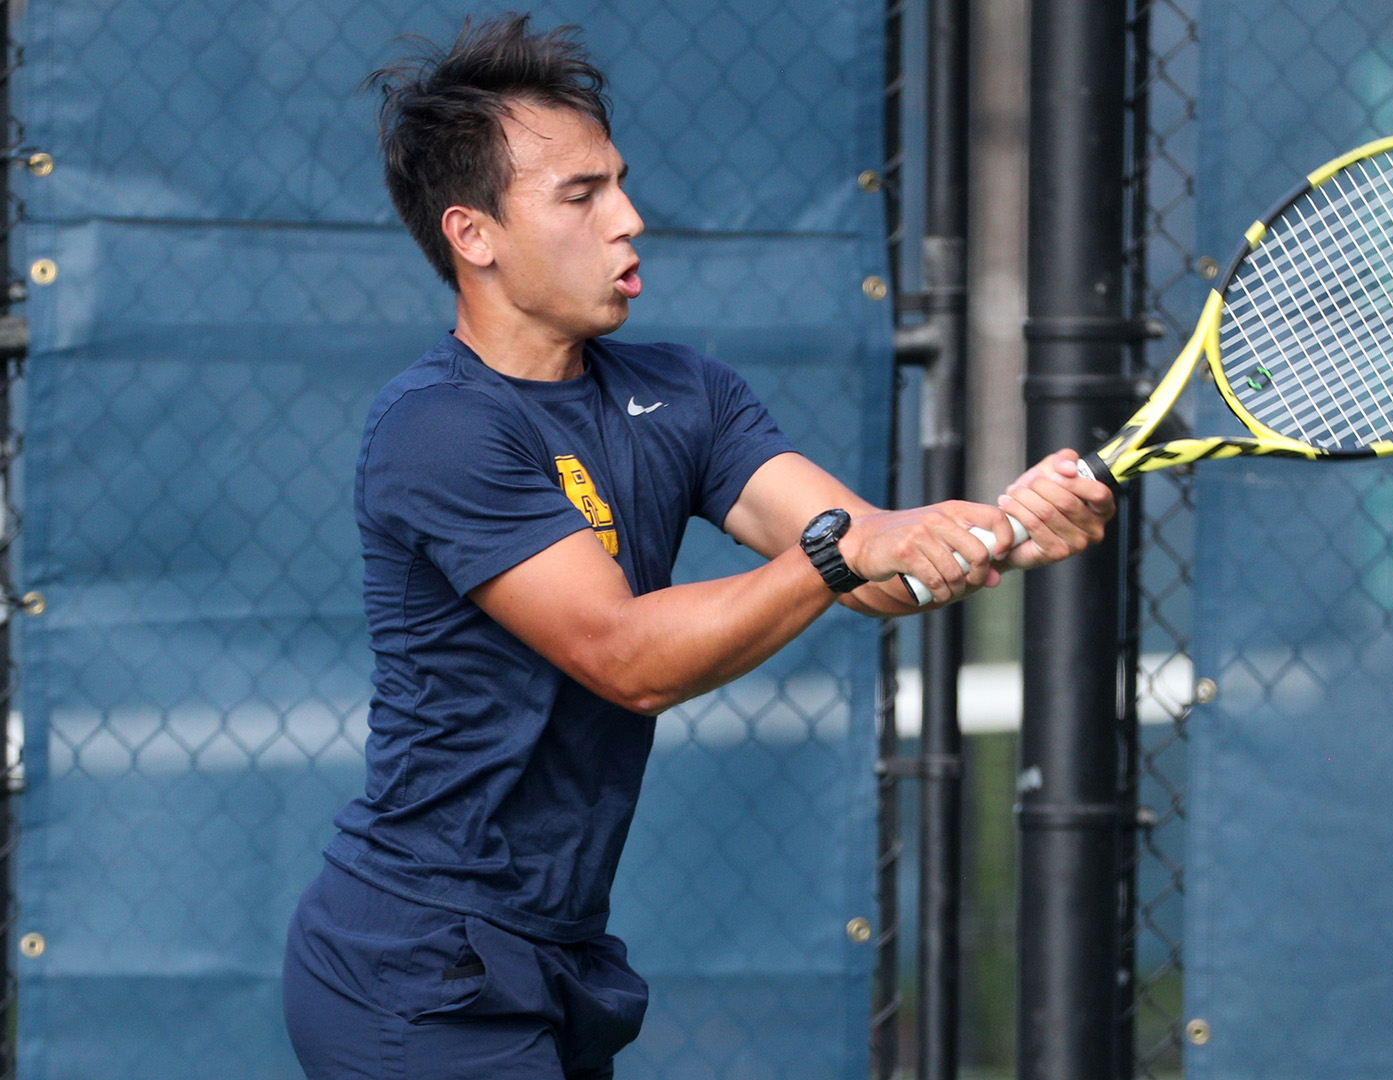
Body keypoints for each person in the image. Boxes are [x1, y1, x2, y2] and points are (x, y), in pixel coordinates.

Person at [280, 13, 1114, 1080]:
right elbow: (629, 657)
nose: (629, 218)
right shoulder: (437, 428)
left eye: (618, 182)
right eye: (580, 196)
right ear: (473, 234)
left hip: (556, 953)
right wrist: (846, 554)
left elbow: (864, 562)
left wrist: (995, 524)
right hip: (413, 966)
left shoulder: (687, 394)